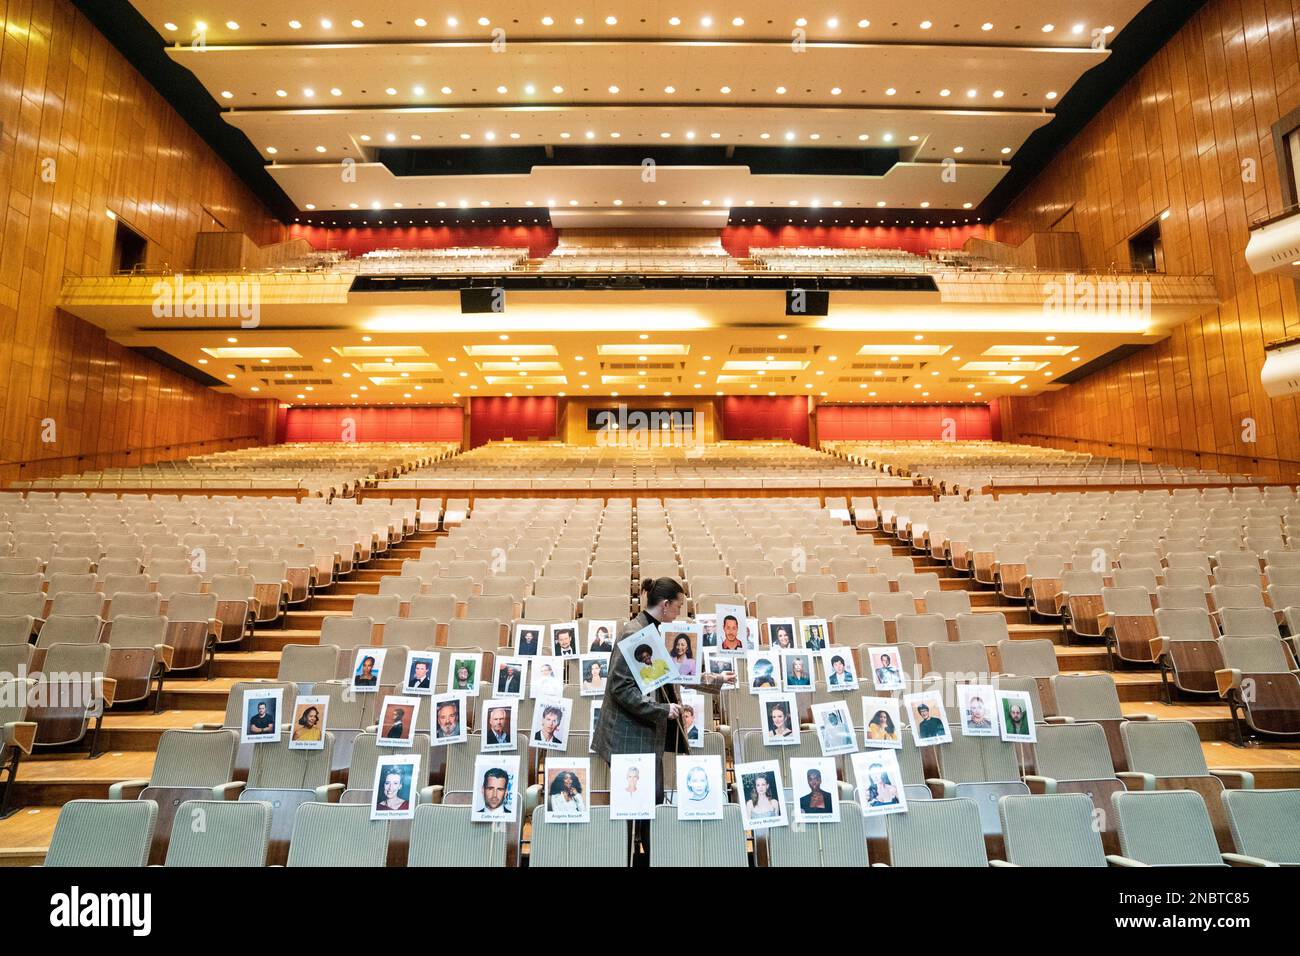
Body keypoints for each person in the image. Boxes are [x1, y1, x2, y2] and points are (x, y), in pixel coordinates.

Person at [592, 577, 733, 806]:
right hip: (629, 736)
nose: (679, 613)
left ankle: (647, 842)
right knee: (638, 806)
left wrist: (717, 679)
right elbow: (620, 689)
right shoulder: (633, 633)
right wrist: (661, 709)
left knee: (652, 803)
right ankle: (639, 843)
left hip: (644, 733)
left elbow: (676, 673)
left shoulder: (654, 630)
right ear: (665, 605)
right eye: (678, 606)